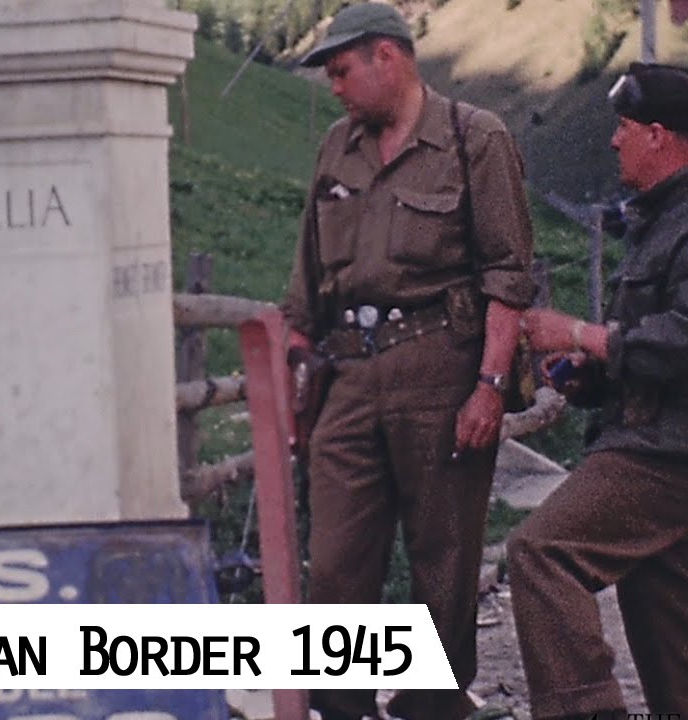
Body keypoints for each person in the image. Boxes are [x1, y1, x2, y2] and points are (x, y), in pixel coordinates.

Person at [281, 4, 536, 718]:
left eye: (341, 71)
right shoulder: (337, 147)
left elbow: (509, 277)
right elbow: (305, 286)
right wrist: (295, 388)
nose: (334, 88)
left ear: (387, 57)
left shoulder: (472, 138)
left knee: (444, 560)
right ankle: (342, 705)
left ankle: (433, 705)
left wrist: (489, 386)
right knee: (334, 559)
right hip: (349, 376)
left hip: (440, 369)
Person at [511, 62, 688, 720]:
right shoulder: (661, 224)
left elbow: (684, 347)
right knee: (678, 646)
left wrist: (578, 332)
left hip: (670, 450)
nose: (612, 141)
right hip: (661, 439)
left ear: (658, 136)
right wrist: (588, 371)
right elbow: (645, 349)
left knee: (542, 552)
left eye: (623, 129)